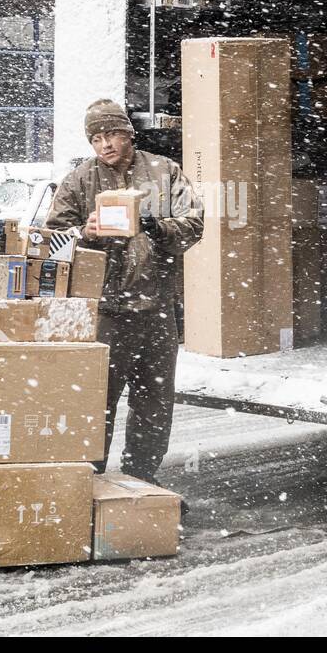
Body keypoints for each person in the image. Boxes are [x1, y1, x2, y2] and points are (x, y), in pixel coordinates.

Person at [46, 98, 204, 484]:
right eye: (97, 138)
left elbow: (195, 224)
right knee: (96, 403)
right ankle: (90, 481)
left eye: (113, 133)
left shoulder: (163, 171)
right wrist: (86, 233)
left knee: (154, 403)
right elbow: (50, 243)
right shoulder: (80, 180)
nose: (105, 145)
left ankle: (141, 480)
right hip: (106, 313)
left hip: (158, 310)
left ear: (128, 133)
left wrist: (155, 227)